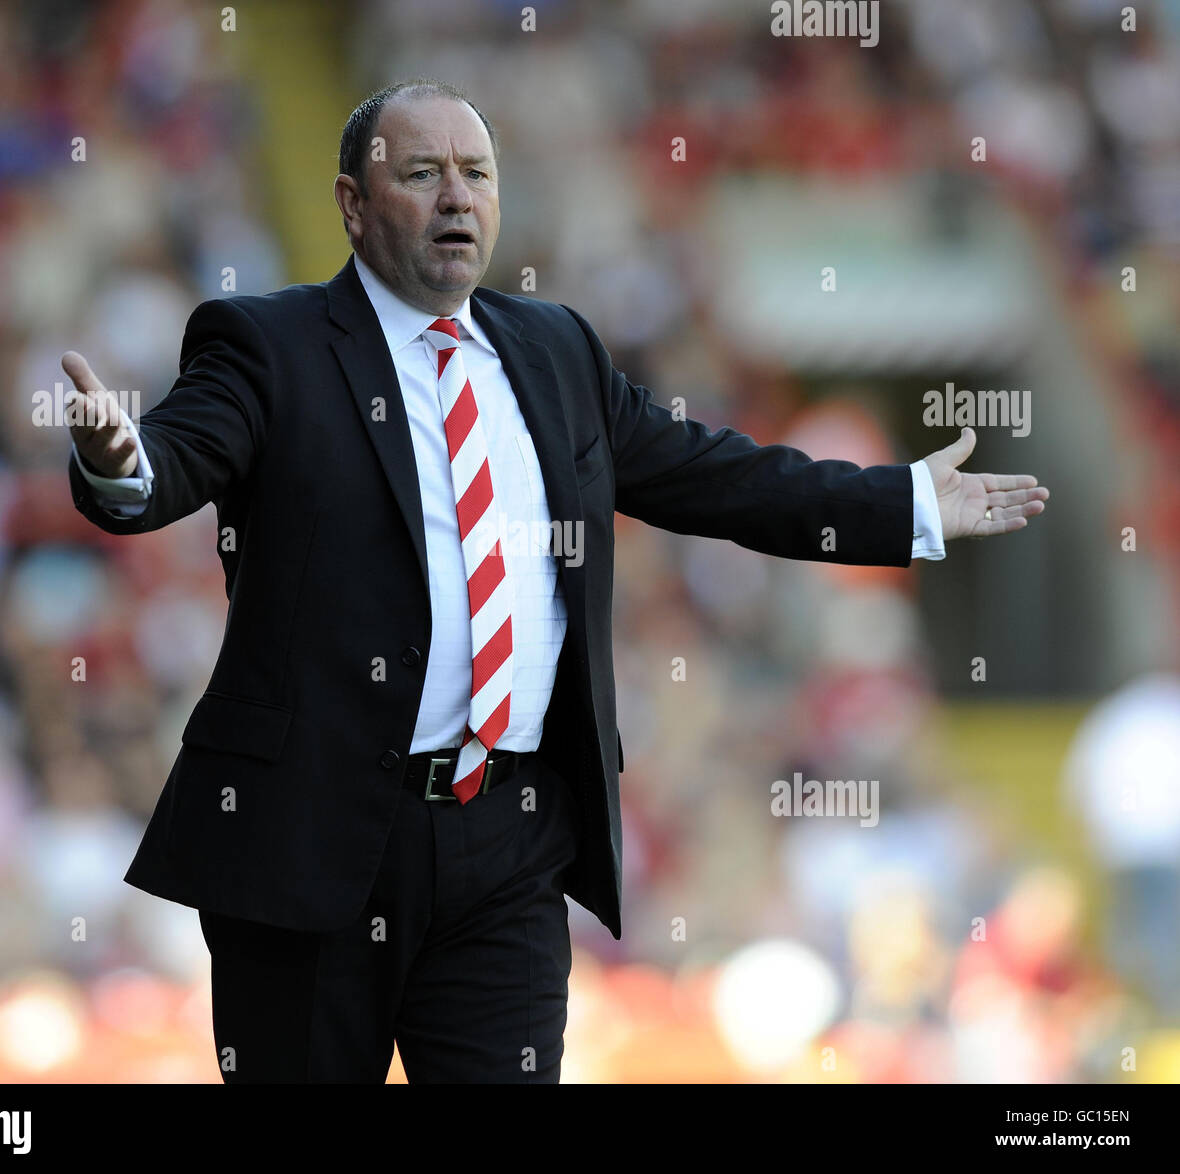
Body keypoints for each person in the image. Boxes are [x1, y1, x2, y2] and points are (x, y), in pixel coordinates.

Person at [61, 79, 1049, 1083]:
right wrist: (118, 458)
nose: (457, 197)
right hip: (315, 831)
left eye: (475, 175)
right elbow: (169, 463)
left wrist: (904, 506)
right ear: (352, 204)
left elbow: (712, 475)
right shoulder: (266, 343)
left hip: (508, 833)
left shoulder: (555, 350)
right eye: (420, 174)